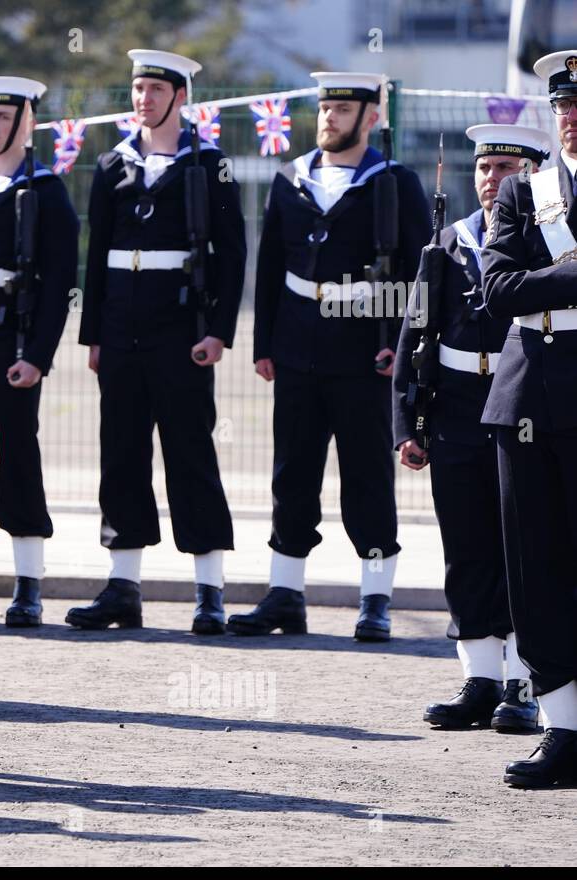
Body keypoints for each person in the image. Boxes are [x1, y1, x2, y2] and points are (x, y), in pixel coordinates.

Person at [229, 71, 430, 641]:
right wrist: (265, 342)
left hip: (366, 347)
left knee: (367, 476)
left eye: (343, 108)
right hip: (296, 342)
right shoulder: (291, 179)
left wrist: (401, 344)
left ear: (371, 117)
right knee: (292, 473)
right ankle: (285, 594)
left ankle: (375, 598)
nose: (329, 118)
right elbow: (269, 266)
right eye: (324, 107)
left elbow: (418, 275)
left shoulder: (395, 182)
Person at [69, 49, 245, 634]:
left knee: (191, 453)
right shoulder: (112, 164)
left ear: (180, 96)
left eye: (153, 89)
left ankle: (209, 590)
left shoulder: (208, 164)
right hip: (121, 327)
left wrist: (218, 330)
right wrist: (92, 333)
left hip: (181, 329)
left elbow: (233, 253)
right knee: (120, 453)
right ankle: (123, 586)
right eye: (137, 88)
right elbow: (95, 258)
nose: (142, 98)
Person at [397, 124, 547, 734]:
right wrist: (407, 419)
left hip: (518, 403)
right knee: (466, 547)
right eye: (484, 169)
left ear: (531, 177)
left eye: (506, 169)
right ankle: (479, 676)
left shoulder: (547, 244)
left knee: (522, 549)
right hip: (457, 407)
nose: (491, 180)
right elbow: (414, 334)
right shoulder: (449, 242)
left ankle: (523, 679)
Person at [481, 50, 577, 787]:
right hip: (529, 396)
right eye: (563, 108)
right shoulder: (523, 194)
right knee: (535, 564)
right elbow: (500, 289)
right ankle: (562, 725)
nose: (571, 120)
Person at [0, 75, 78, 627]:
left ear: (26, 122)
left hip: (11, 342)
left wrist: (37, 354)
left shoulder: (47, 190)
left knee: (16, 458)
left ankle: (28, 581)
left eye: (4, 118)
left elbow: (57, 284)